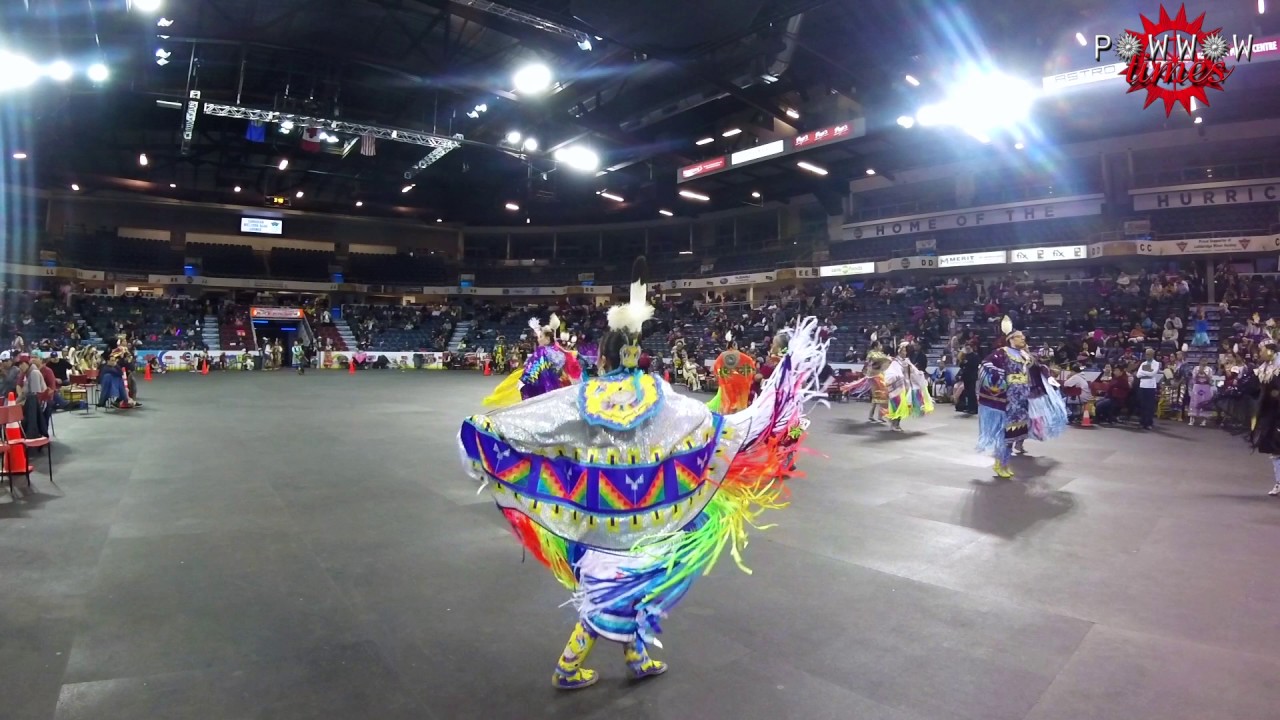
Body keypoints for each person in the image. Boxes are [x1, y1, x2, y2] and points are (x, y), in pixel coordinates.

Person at [457, 265, 827, 689]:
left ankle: (636, 658)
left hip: (598, 518)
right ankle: (569, 665)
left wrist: (479, 431)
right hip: (651, 518)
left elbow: (536, 420)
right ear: (636, 353)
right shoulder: (660, 395)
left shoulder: (582, 398)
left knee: (621, 592)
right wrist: (771, 400)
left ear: (606, 356)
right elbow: (707, 423)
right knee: (616, 595)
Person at [977, 318, 1068, 478]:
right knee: (1005, 432)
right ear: (1010, 339)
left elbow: (1037, 368)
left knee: (1015, 433)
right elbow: (985, 365)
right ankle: (1000, 463)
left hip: (1022, 398)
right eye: (1019, 336)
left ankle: (1005, 463)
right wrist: (1001, 378)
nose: (1023, 338)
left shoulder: (1024, 355)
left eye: (1023, 337)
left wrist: (1046, 372)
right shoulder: (1002, 353)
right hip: (1008, 399)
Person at [484, 314, 575, 407]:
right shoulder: (558, 351)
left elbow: (534, 367)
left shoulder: (542, 351)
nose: (538, 340)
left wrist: (523, 380)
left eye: (540, 337)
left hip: (543, 384)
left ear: (547, 339)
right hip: (558, 384)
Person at [1249, 342, 1280, 496]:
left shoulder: (1278, 368)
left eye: (1261, 350)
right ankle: (1279, 483)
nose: (1259, 353)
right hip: (1270, 414)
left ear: (1271, 351)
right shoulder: (1263, 369)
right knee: (1275, 449)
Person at [883, 341, 934, 432]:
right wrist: (899, 377)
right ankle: (894, 424)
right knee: (897, 405)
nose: (904, 352)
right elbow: (892, 373)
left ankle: (896, 424)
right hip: (898, 388)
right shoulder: (895, 362)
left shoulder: (906, 361)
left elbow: (914, 370)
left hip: (906, 387)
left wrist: (919, 373)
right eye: (903, 351)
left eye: (905, 351)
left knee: (904, 406)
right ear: (899, 351)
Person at [706, 333, 757, 414]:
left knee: (726, 404)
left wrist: (723, 376)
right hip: (740, 384)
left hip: (727, 384)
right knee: (738, 406)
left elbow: (715, 368)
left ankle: (726, 419)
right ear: (734, 345)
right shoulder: (744, 357)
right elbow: (751, 368)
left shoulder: (722, 355)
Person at [1134, 348, 1162, 430]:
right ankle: (1142, 422)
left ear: (1153, 355)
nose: (1147, 356)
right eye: (1146, 354)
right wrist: (1147, 372)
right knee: (1142, 405)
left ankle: (1149, 422)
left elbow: (1152, 374)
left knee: (1149, 406)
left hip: (1150, 386)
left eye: (1148, 354)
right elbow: (1138, 375)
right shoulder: (1143, 363)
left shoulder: (1156, 363)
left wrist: (1144, 372)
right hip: (1143, 385)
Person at [1188, 358, 1216, 426]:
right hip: (1197, 386)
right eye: (1202, 361)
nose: (1204, 362)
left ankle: (1204, 420)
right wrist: (1198, 372)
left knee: (1205, 402)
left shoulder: (1209, 369)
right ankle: (1192, 419)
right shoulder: (1196, 368)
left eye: (1205, 361)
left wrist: (1204, 373)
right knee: (1195, 402)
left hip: (1206, 386)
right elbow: (1194, 378)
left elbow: (1210, 379)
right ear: (1200, 361)